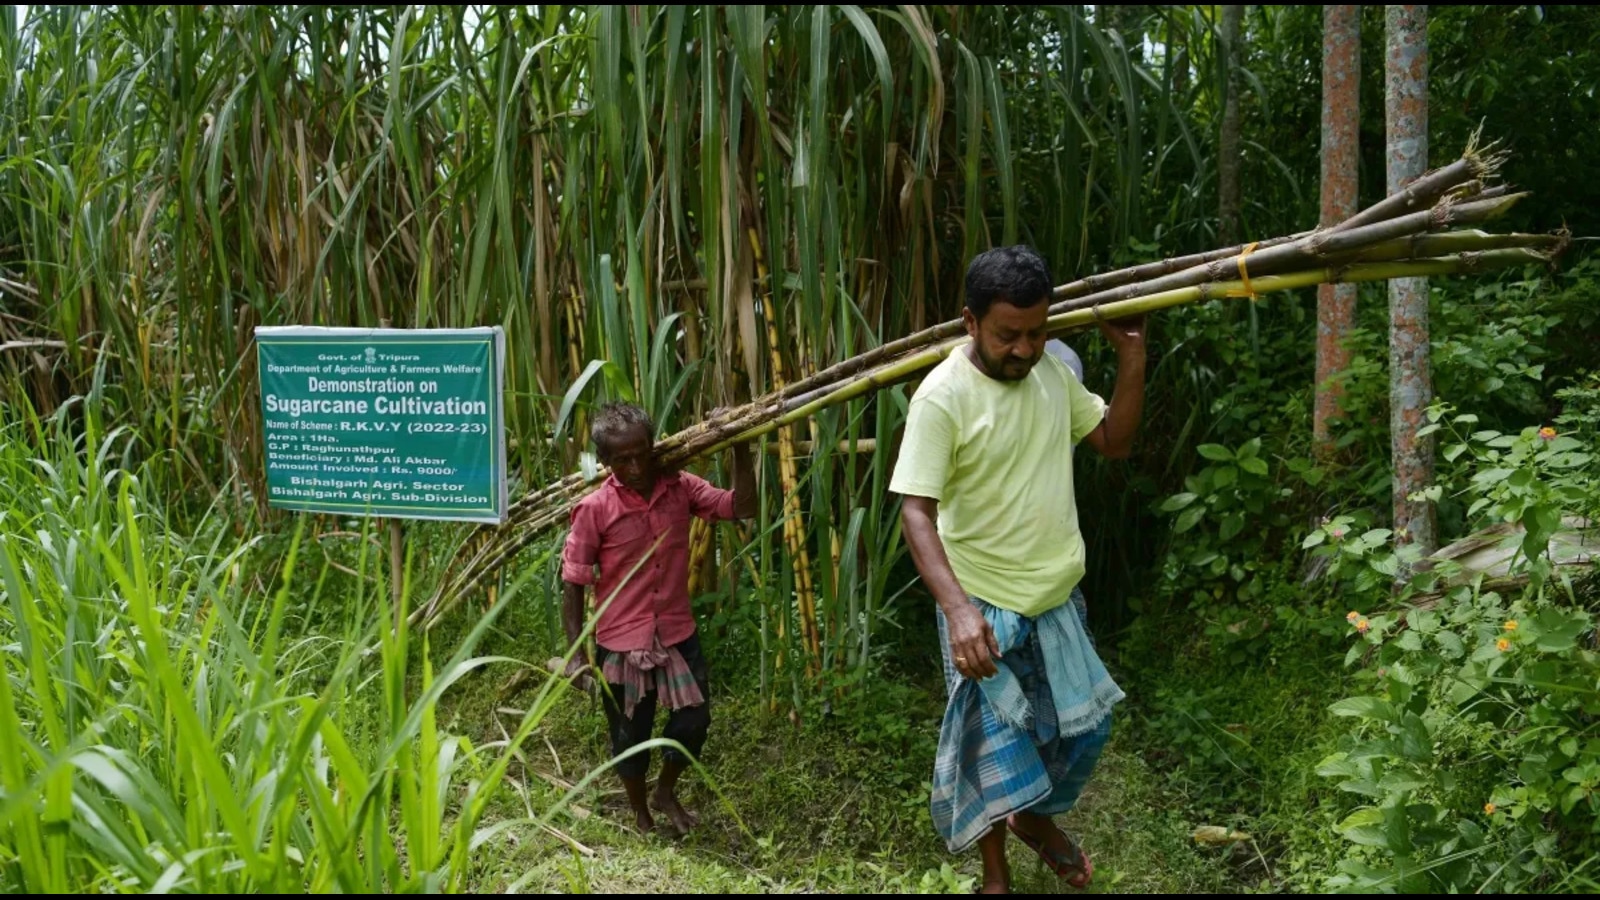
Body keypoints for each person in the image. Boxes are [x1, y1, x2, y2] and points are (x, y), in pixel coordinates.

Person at [891, 246, 1148, 894]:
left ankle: (1034, 820)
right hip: (983, 605)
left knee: (1081, 731)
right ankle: (996, 877)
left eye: (1037, 333)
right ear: (970, 323)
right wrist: (957, 611)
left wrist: (1132, 357)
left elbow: (1113, 442)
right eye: (1009, 335)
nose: (1025, 349)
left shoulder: (1053, 377)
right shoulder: (941, 399)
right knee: (993, 746)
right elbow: (916, 513)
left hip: (1057, 599)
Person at [560, 402, 756, 836]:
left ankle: (665, 791)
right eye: (622, 459)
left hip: (675, 633)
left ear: (654, 447)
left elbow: (741, 507)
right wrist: (575, 654)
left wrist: (739, 444)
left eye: (641, 453)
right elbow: (573, 580)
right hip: (622, 643)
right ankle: (640, 812)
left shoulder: (680, 488)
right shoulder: (594, 509)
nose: (635, 466)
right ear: (606, 462)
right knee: (631, 736)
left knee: (694, 722)